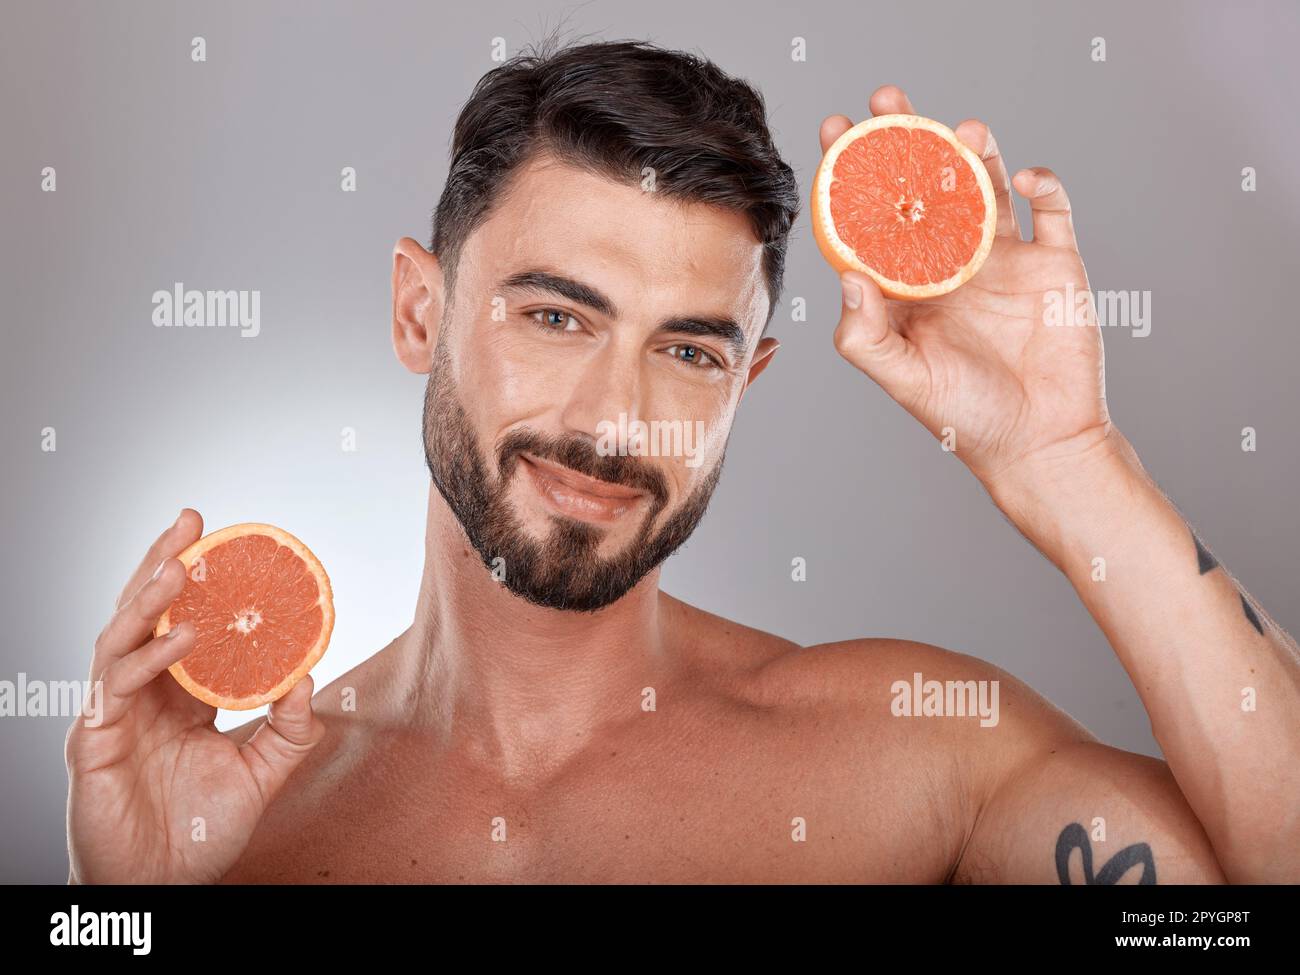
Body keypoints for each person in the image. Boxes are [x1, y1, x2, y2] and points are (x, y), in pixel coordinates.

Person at [65, 38, 1298, 884]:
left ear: (745, 381)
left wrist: (1068, 457)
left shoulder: (915, 756)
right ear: (418, 315)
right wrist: (117, 911)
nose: (617, 418)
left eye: (691, 352)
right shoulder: (249, 811)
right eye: (556, 317)